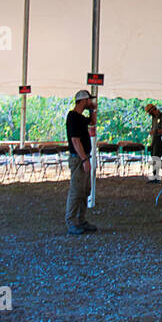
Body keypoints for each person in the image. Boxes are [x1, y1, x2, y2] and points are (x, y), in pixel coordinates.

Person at [65, 91, 97, 234]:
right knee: (76, 190)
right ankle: (71, 222)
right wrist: (84, 159)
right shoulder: (73, 117)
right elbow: (75, 140)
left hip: (84, 157)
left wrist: (93, 111)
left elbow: (92, 122)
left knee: (85, 190)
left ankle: (81, 220)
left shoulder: (80, 117)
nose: (91, 102)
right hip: (78, 159)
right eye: (89, 100)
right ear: (83, 100)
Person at [145, 102, 162, 183]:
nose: (150, 114)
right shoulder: (154, 118)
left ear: (154, 110)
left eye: (150, 112)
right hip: (155, 139)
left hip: (161, 139)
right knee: (154, 156)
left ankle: (156, 176)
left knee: (156, 157)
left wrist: (155, 131)